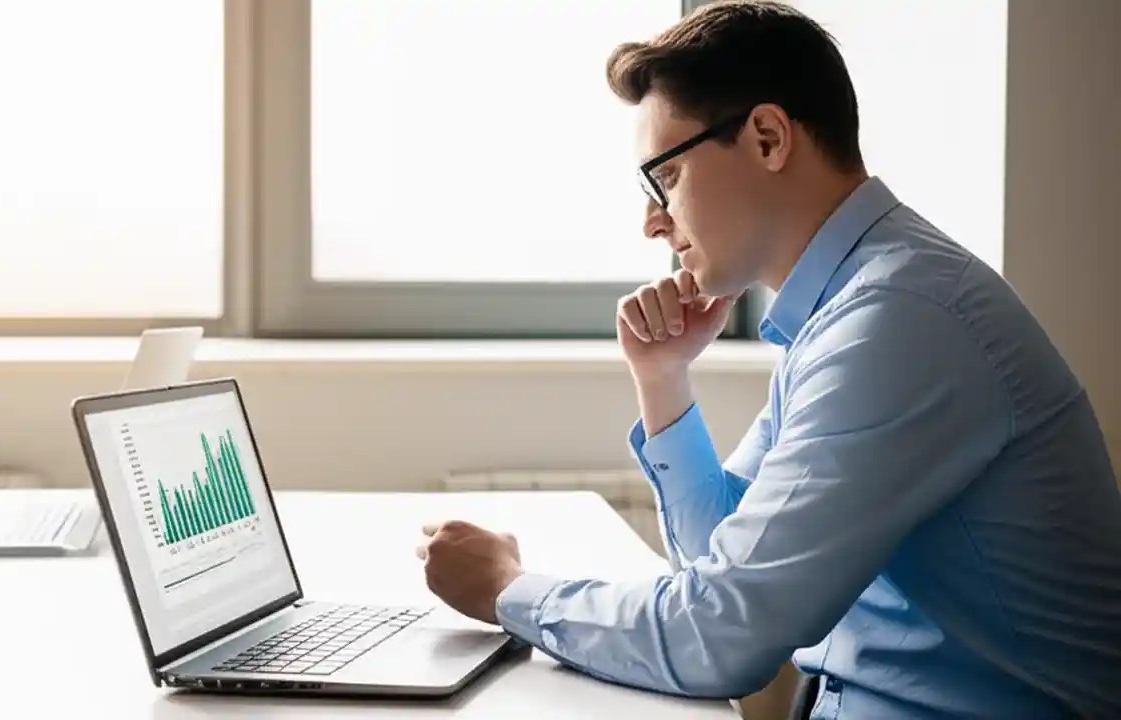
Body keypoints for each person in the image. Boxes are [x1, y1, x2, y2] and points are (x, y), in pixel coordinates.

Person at [414, 1, 1121, 717]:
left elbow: (722, 636)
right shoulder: (850, 307)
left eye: (666, 178)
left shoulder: (901, 322)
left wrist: (508, 589)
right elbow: (724, 561)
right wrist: (663, 379)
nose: (653, 221)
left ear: (767, 137)